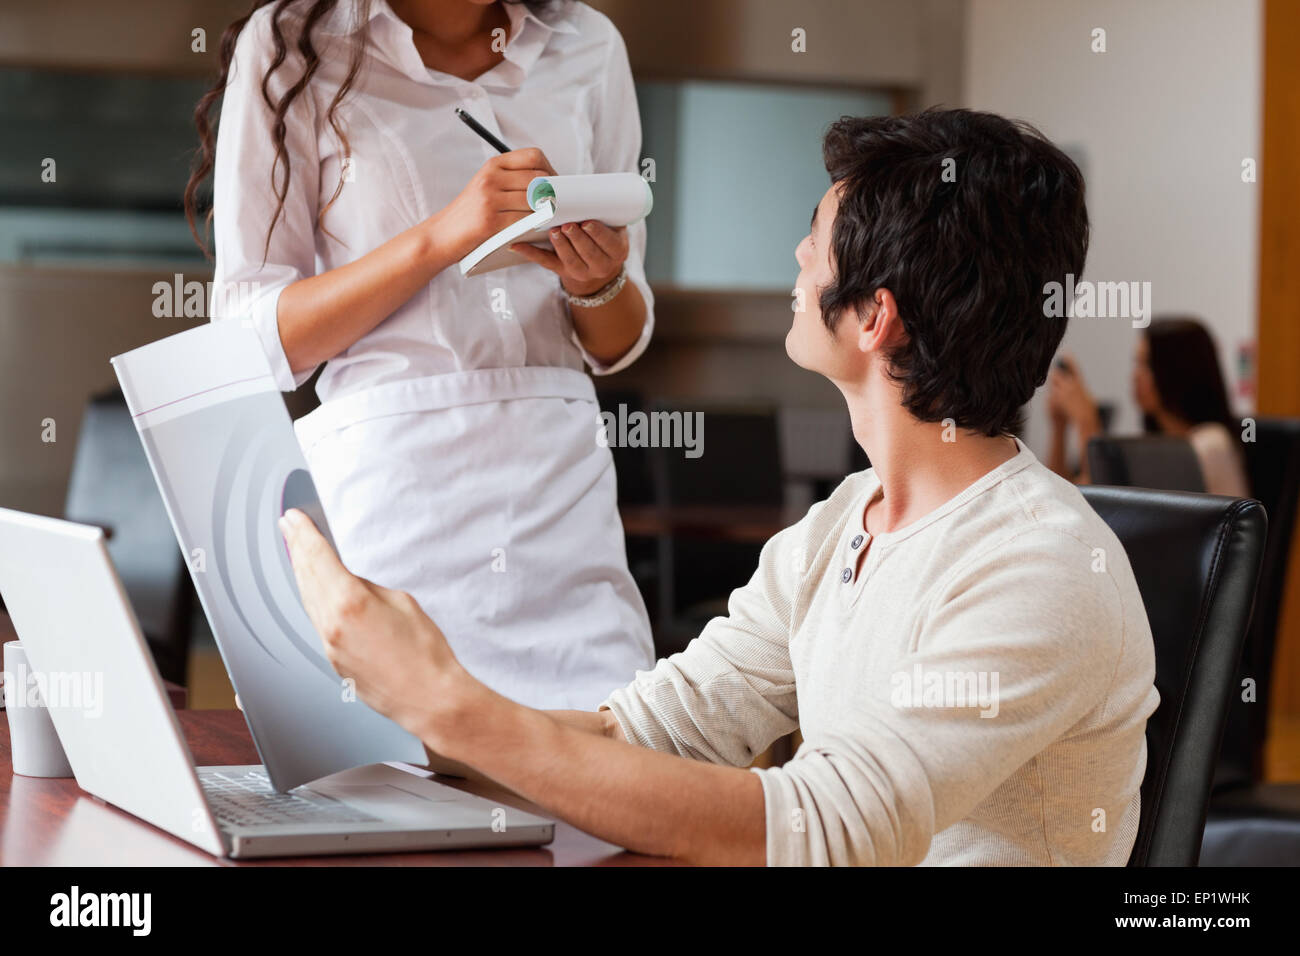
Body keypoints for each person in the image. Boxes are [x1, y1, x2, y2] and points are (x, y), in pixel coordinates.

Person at [279, 109, 1160, 866]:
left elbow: (828, 827)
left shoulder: (1040, 567)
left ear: (872, 315)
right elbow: (651, 732)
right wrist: (404, 726)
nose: (798, 252)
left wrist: (453, 706)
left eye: (815, 235)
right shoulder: (839, 530)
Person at [186, 0, 655, 710]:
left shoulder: (589, 44)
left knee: (606, 782)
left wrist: (599, 280)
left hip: (562, 513)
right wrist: (441, 238)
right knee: (402, 792)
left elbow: (619, 343)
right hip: (390, 513)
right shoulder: (290, 45)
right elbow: (251, 340)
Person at [1047, 318, 1249, 495]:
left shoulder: (1211, 443)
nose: (1136, 375)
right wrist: (1059, 427)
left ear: (1180, 370)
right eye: (1137, 363)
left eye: (1148, 365)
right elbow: (1059, 500)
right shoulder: (1160, 441)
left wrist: (1086, 423)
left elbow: (1101, 509)